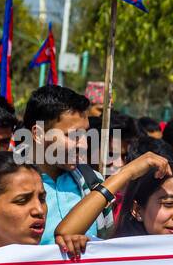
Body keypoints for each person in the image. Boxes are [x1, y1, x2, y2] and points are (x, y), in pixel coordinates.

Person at [17, 84, 110, 245]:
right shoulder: (5, 184)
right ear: (38, 134)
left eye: (85, 134)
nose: (84, 145)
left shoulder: (94, 182)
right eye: (73, 136)